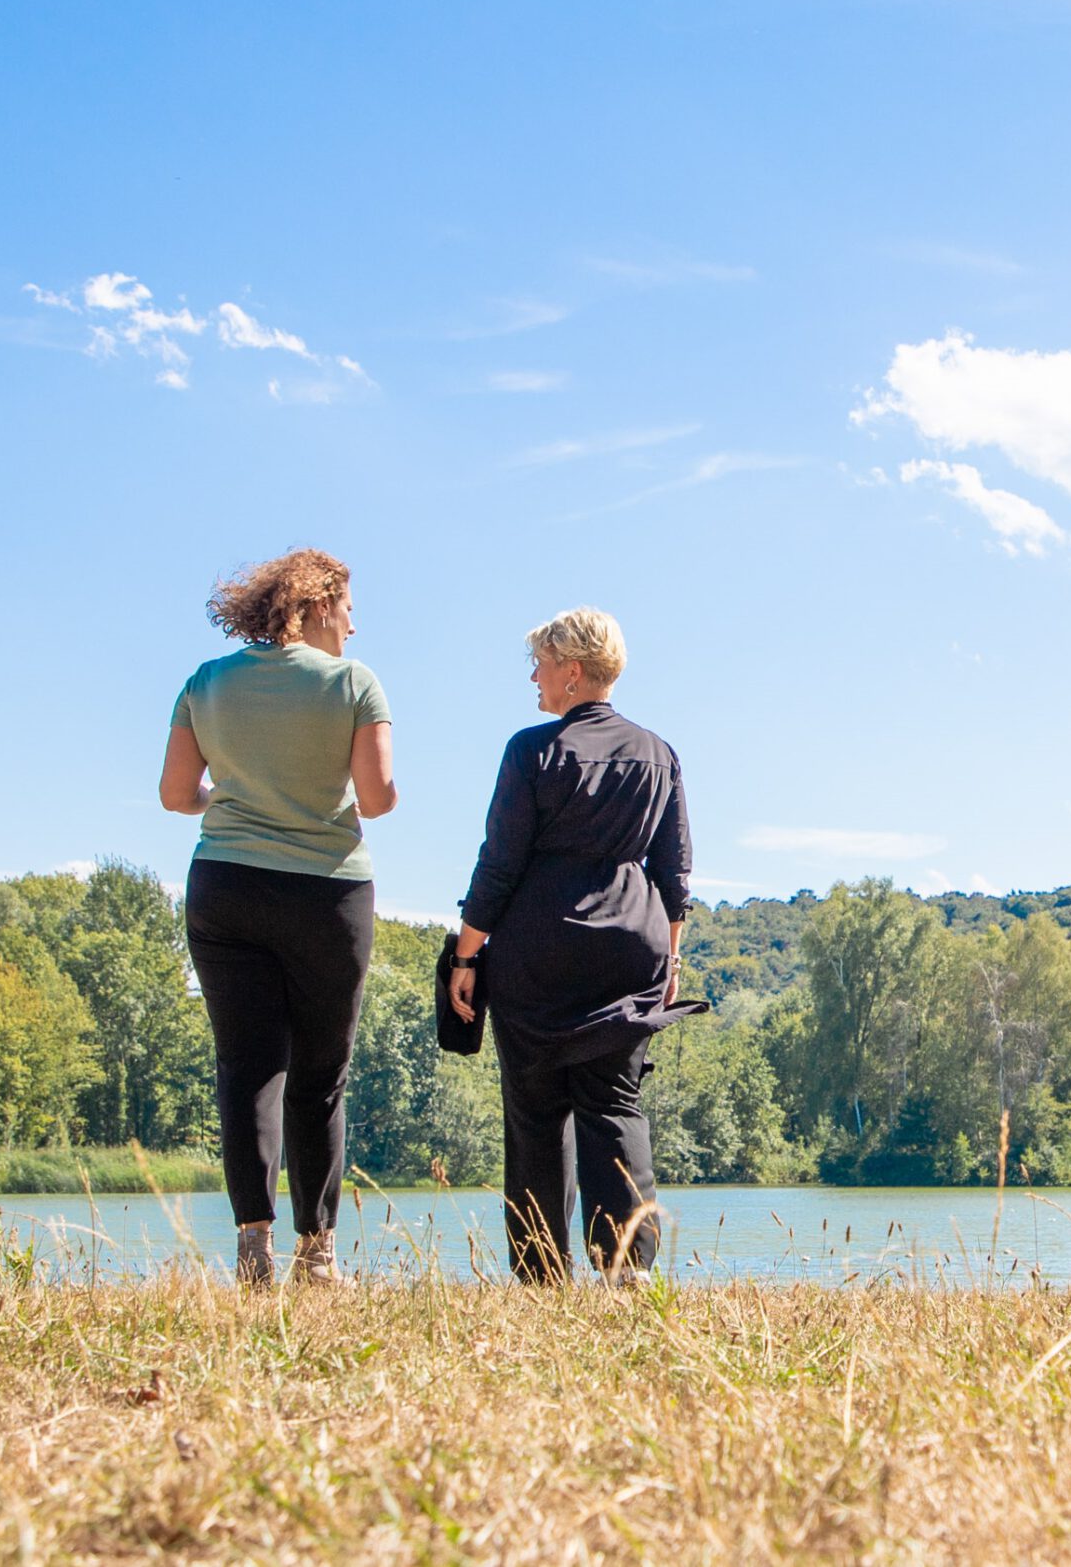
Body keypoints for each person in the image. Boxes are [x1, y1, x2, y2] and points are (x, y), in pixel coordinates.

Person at [159, 548, 395, 1287]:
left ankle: (252, 1245)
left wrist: (227, 799)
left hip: (224, 884)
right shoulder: (355, 683)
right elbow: (379, 795)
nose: (354, 626)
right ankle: (317, 1255)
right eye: (349, 608)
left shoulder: (206, 681)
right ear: (319, 603)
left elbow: (175, 794)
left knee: (246, 1066)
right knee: (320, 1074)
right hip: (326, 892)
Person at [448, 606, 701, 1283]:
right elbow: (674, 872)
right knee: (615, 1102)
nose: (533, 676)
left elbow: (498, 862)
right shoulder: (660, 753)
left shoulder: (531, 751)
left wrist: (467, 954)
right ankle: (629, 1271)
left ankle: (540, 1275)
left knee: (535, 1111)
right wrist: (670, 957)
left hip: (539, 950)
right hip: (631, 949)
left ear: (573, 671)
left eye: (540, 662)